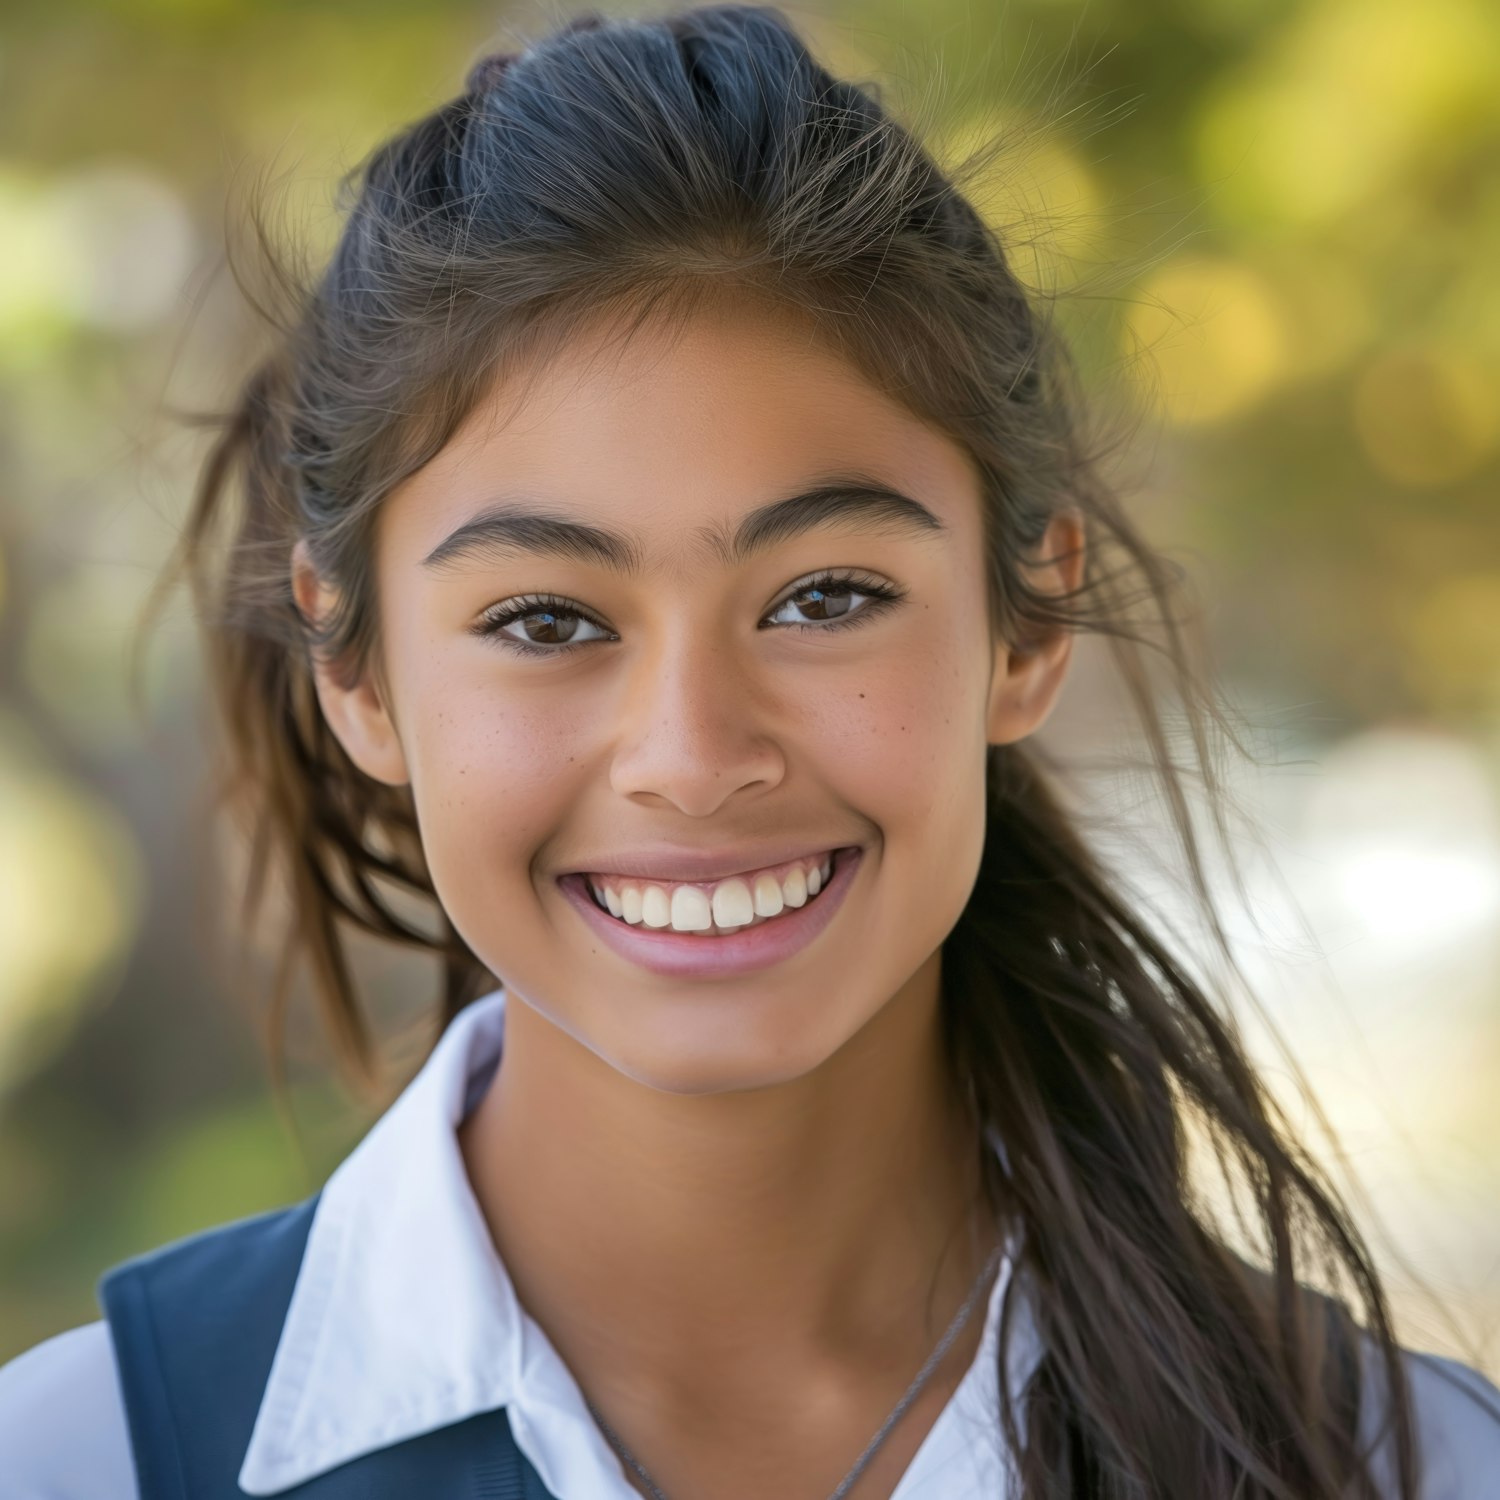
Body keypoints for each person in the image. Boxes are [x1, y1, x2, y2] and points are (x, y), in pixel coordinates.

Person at [2, 5, 1497, 1497]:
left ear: (1025, 629)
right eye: (542, 619)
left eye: (825, 598)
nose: (694, 755)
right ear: (360, 672)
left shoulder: (1398, 1462)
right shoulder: (85, 1460)